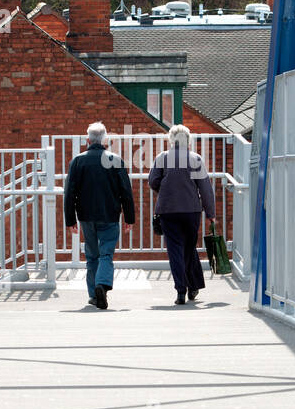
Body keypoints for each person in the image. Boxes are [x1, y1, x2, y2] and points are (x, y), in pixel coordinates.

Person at [62, 122, 134, 310]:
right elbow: (126, 190)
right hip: (110, 215)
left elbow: (69, 192)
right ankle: (102, 284)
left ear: (87, 140)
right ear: (105, 140)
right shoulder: (115, 159)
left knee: (92, 255)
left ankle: (94, 294)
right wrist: (129, 217)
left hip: (86, 216)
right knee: (106, 254)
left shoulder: (77, 161)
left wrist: (70, 219)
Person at [148, 124, 215, 306]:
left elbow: (153, 181)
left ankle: (181, 291)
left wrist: (165, 188)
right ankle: (192, 285)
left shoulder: (162, 158)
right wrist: (211, 213)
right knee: (188, 248)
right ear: (188, 141)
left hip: (168, 210)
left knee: (175, 250)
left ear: (171, 140)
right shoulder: (195, 159)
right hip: (191, 210)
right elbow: (205, 188)